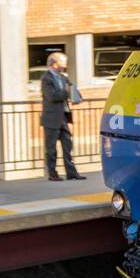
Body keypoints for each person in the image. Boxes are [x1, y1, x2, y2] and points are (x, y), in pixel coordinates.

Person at [40, 52, 86, 181]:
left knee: (68, 146)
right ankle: (52, 173)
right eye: (63, 63)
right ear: (55, 64)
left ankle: (71, 173)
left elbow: (73, 90)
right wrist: (66, 92)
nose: (65, 66)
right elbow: (52, 96)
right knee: (51, 149)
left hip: (63, 118)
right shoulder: (46, 79)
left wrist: (77, 96)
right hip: (51, 119)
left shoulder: (63, 77)